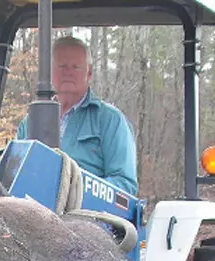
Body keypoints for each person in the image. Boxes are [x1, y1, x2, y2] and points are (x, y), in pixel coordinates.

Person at [16, 36, 139, 196]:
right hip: (35, 211)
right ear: (50, 73)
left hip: (90, 216)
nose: (68, 72)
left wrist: (77, 190)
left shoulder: (110, 120)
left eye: (75, 67)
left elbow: (125, 186)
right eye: (62, 66)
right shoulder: (30, 123)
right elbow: (16, 175)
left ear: (89, 73)